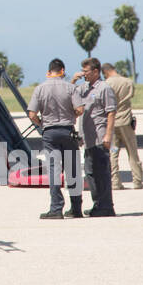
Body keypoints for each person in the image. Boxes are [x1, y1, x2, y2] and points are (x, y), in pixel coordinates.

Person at [26, 58, 84, 219]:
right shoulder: (71, 88)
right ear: (63, 71)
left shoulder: (40, 89)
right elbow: (79, 109)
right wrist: (71, 115)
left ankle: (56, 208)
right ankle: (76, 208)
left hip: (50, 133)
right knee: (72, 170)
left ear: (48, 72)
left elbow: (32, 114)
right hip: (68, 131)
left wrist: (42, 124)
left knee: (54, 170)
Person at [72, 58, 116, 217]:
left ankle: (106, 206)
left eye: (86, 71)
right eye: (82, 71)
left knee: (101, 173)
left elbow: (111, 112)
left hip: (100, 136)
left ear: (96, 72)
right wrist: (72, 80)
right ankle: (98, 204)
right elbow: (71, 96)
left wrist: (108, 135)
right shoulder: (83, 88)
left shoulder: (104, 88)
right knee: (90, 173)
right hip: (88, 138)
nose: (83, 74)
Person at [101, 63, 142, 190]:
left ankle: (115, 182)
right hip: (126, 121)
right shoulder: (128, 82)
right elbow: (131, 96)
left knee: (113, 153)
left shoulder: (106, 84)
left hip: (111, 124)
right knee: (132, 152)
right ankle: (137, 181)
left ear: (105, 72)